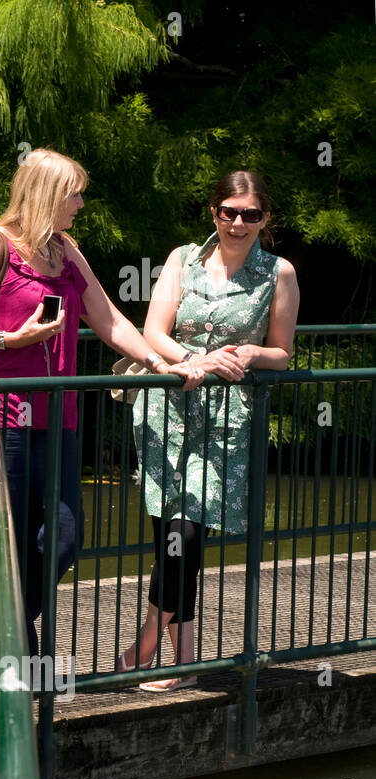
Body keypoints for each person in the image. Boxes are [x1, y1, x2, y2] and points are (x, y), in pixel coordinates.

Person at [0, 149, 197, 657]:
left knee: (63, 536)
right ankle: (22, 664)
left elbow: (111, 321)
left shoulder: (64, 249)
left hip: (58, 417)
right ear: (47, 194)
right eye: (73, 193)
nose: (80, 203)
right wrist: (13, 339)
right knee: (6, 539)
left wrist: (162, 363)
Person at [121, 170, 300, 691]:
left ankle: (150, 641)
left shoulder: (278, 273)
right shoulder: (181, 260)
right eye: (229, 211)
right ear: (213, 213)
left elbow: (282, 354)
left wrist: (250, 353)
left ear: (266, 219)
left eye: (250, 214)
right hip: (167, 411)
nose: (238, 223)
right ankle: (186, 660)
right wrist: (193, 359)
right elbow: (153, 331)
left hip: (226, 419)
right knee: (171, 538)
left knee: (188, 531)